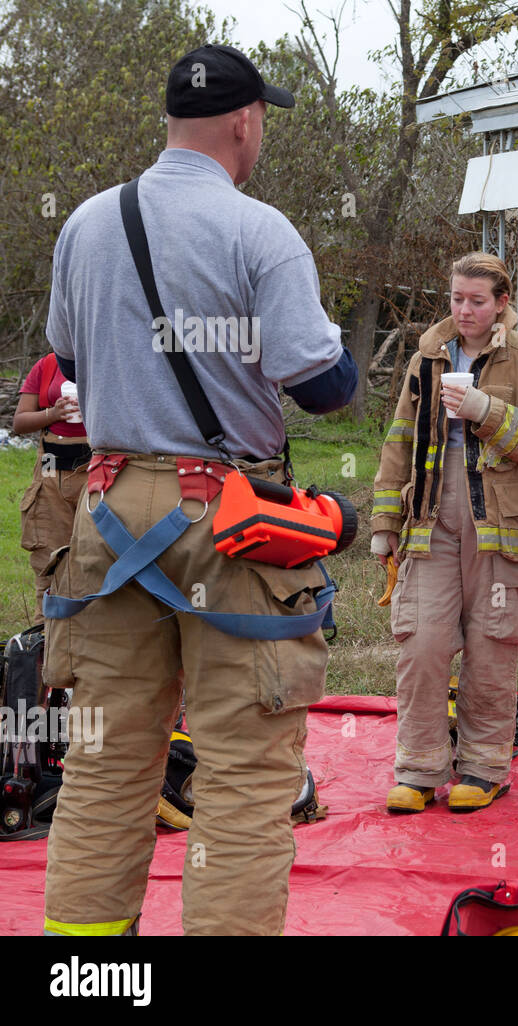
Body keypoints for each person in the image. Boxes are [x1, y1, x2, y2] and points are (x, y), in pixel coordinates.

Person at [40, 44, 357, 936]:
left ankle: (90, 976)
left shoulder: (87, 223)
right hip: (229, 520)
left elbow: (67, 361)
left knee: (105, 764)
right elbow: (323, 384)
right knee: (246, 771)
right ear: (247, 121)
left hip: (106, 511)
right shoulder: (260, 232)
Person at [372, 252, 518, 815]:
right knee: (424, 642)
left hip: (504, 528)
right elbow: (399, 443)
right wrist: (385, 525)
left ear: (502, 304)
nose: (464, 310)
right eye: (457, 298)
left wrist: (485, 410)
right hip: (433, 520)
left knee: (490, 647)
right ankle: (418, 768)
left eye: (476, 301)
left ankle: (485, 768)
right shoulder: (426, 360)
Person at [12, 352, 91, 623]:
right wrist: (53, 413)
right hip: (50, 472)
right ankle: (42, 642)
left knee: (97, 559)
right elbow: (19, 422)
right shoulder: (46, 365)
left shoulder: (107, 357)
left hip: (97, 472)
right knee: (48, 558)